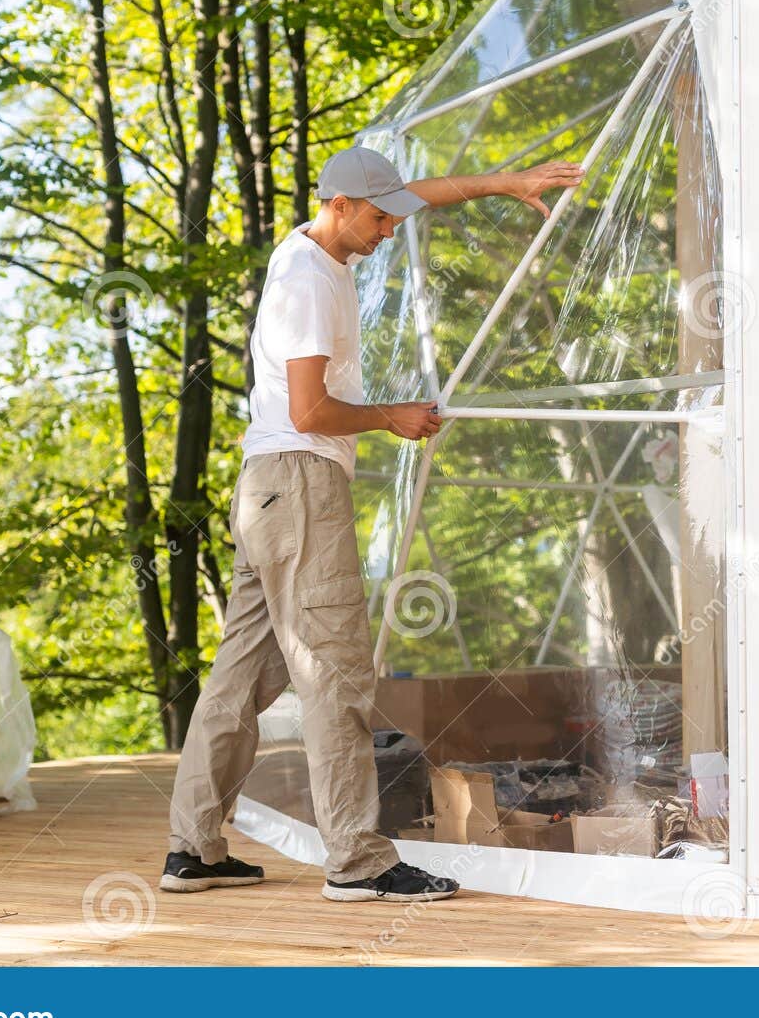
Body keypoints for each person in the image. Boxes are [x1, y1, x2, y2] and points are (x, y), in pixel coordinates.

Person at [162, 145, 583, 902]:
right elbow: (311, 410)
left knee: (241, 677)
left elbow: (419, 191)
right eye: (381, 218)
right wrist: (394, 417)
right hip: (300, 483)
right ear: (341, 205)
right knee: (336, 673)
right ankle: (357, 860)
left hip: (267, 493)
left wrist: (506, 182)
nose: (390, 229)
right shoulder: (309, 284)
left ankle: (192, 848)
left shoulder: (318, 243)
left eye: (392, 216)